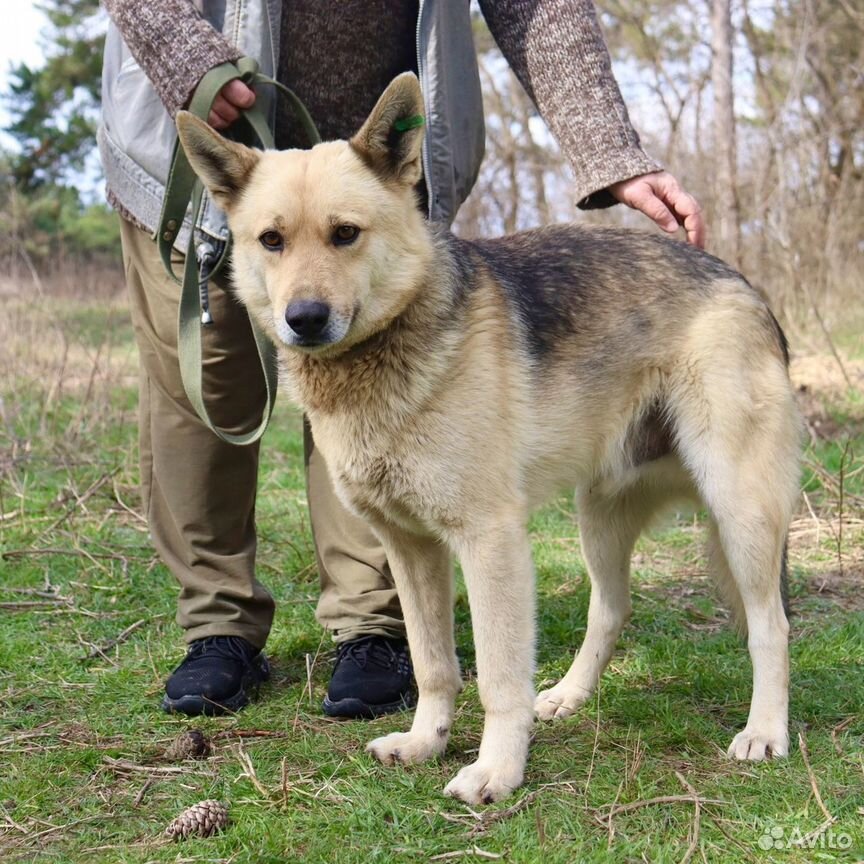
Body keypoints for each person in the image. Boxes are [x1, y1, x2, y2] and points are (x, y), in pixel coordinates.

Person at [98, 0, 705, 719]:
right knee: (202, 385)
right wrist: (175, 44)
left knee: (384, 405)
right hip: (201, 118)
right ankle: (217, 624)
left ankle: (371, 626)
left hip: (375, 148)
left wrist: (612, 152)